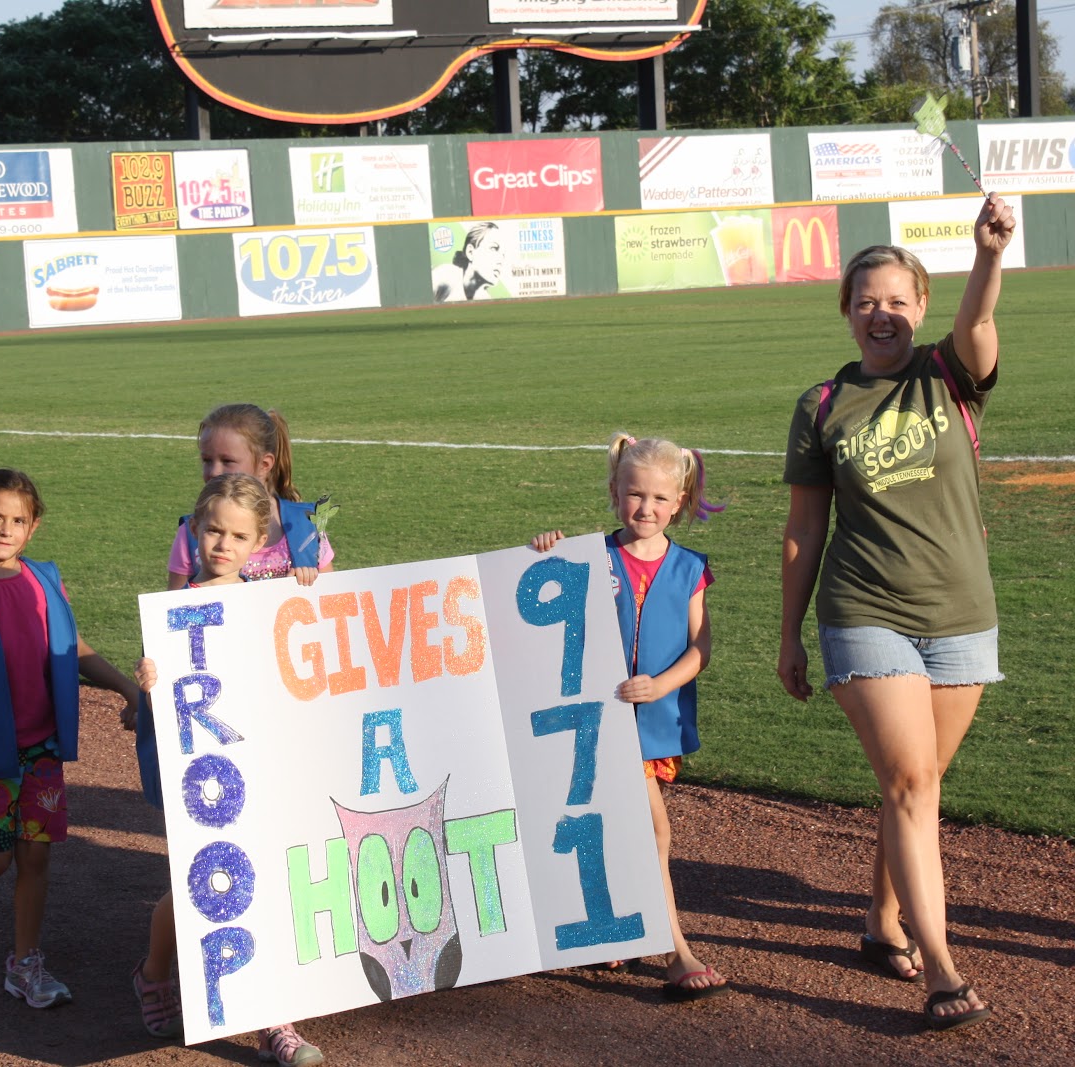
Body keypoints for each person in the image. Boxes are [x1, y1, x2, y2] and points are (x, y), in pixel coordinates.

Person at [778, 196, 1016, 1032]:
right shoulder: (822, 404)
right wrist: (789, 634)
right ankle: (942, 968)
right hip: (864, 608)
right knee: (911, 784)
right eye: (865, 301)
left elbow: (978, 320)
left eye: (896, 300)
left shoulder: (950, 375)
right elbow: (805, 529)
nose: (881, 313)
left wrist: (988, 254)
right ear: (846, 311)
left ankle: (883, 918)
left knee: (916, 783)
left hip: (960, 613)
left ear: (920, 305)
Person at [0, 468, 140, 1008]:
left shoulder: (44, 580)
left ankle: (25, 964)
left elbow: (73, 647)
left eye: (18, 520)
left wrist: (127, 688)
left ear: (33, 526)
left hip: (42, 745)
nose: (5, 528)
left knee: (36, 857)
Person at [134, 473, 325, 1065]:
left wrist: (309, 593)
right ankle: (154, 974)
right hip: (203, 775)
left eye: (239, 536)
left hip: (258, 765)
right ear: (195, 531)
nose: (224, 544)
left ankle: (274, 1020)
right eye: (214, 531)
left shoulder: (270, 602)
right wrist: (149, 682)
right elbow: (162, 706)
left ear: (259, 541)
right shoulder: (174, 609)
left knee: (264, 882)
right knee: (197, 886)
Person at [532, 433, 730, 1002]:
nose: (646, 508)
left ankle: (615, 928)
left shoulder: (690, 568)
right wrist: (544, 552)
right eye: (635, 494)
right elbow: (539, 602)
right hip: (593, 723)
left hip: (652, 723)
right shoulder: (590, 556)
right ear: (616, 492)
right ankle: (675, 950)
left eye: (660, 498)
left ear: (680, 501)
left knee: (625, 825)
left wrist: (661, 685)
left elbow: (700, 647)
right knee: (649, 830)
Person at [166, 403, 333, 590]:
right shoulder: (194, 530)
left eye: (227, 461)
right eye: (207, 460)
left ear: (264, 464)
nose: (214, 471)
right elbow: (174, 603)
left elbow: (331, 597)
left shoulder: (306, 525)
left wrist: (308, 585)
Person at [431, 221, 505, 302]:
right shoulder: (446, 276)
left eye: (503, 254)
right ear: (470, 252)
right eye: (494, 248)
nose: (501, 259)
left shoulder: (486, 299)